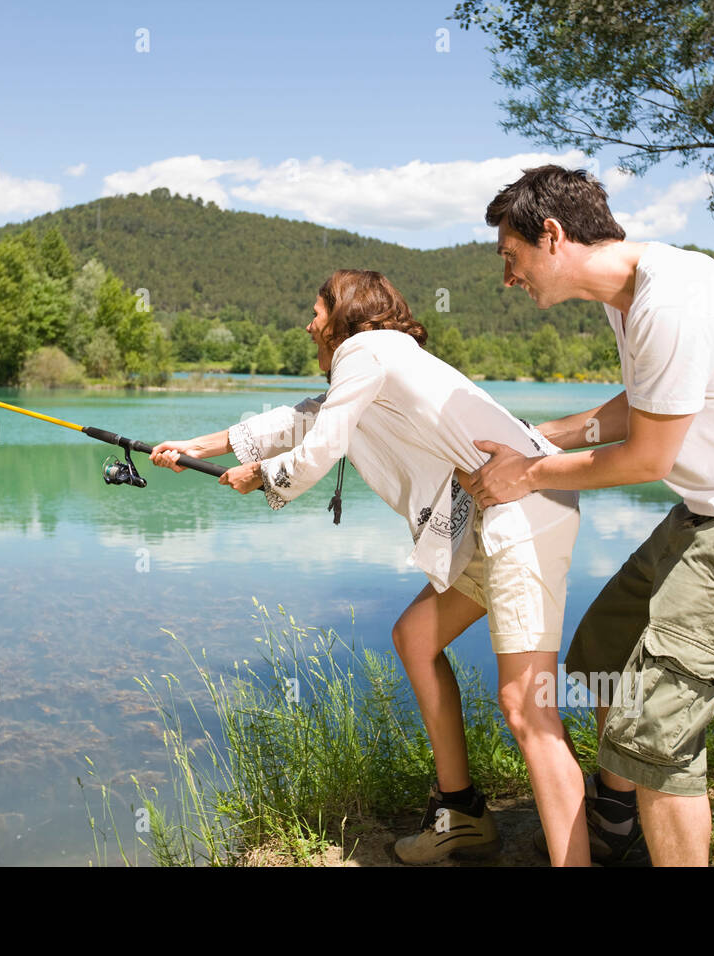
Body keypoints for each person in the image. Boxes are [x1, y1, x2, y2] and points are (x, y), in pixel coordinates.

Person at [466, 165, 714, 866]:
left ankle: (649, 804)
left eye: (510, 256)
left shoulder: (669, 299)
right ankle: (619, 822)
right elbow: (644, 400)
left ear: (550, 235)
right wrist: (544, 437)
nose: (508, 276)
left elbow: (646, 456)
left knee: (652, 729)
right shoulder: (634, 294)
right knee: (605, 654)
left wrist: (528, 473)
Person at [150, 269, 590, 865]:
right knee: (414, 637)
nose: (309, 326)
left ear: (346, 314)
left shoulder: (364, 350)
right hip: (496, 517)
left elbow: (322, 443)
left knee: (526, 709)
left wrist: (263, 475)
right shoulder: (378, 360)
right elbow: (303, 418)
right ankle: (460, 814)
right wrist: (196, 448)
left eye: (316, 312)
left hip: (523, 514)